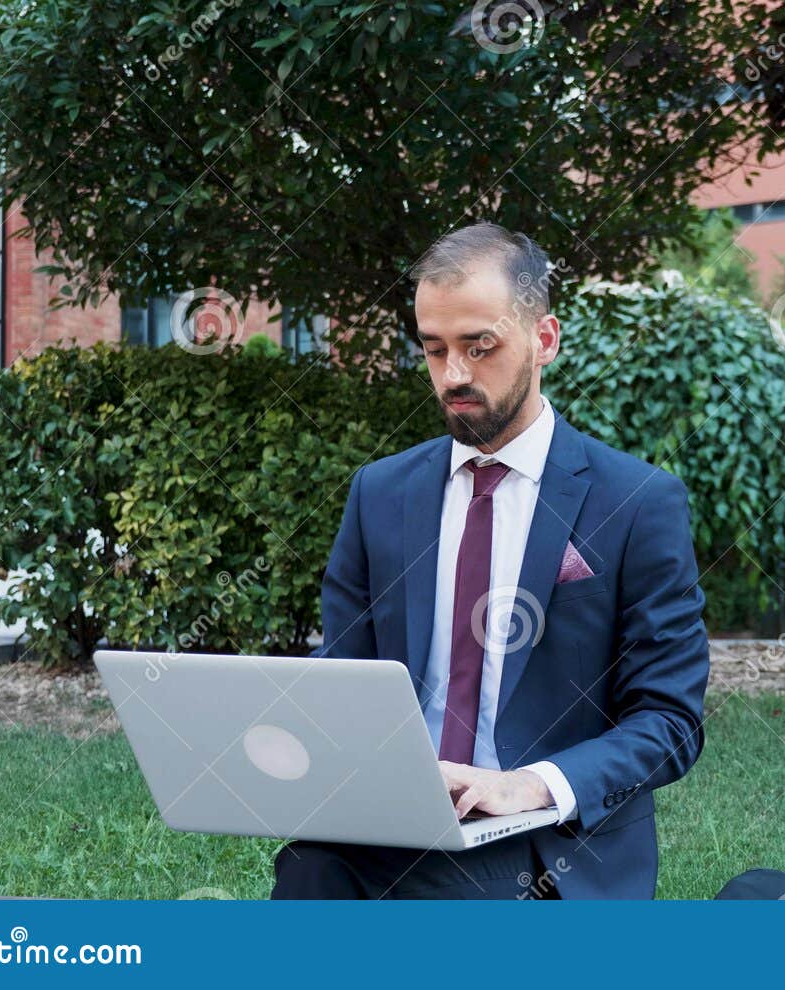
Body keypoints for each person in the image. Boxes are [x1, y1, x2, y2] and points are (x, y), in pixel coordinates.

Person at [271, 222, 710, 899]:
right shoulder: (380, 494)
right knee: (308, 872)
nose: (454, 375)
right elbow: (344, 675)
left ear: (545, 340)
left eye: (480, 347)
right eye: (434, 348)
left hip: (546, 844)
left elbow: (670, 722)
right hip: (392, 825)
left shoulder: (638, 502)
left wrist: (527, 786)